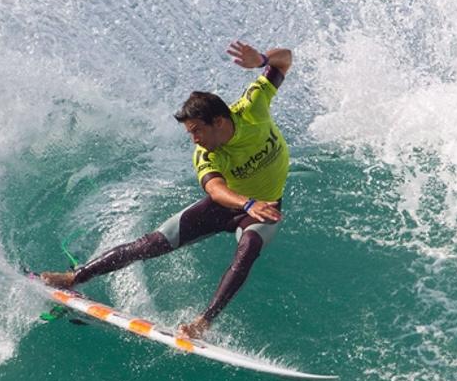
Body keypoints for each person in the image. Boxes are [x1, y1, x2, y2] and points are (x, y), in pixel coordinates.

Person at [41, 40, 292, 339]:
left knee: (248, 249)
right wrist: (246, 203)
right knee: (151, 243)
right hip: (231, 204)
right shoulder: (205, 154)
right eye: (190, 133)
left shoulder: (253, 107)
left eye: (197, 130)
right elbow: (215, 189)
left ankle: (203, 322)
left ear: (219, 121)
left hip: (262, 209)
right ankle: (75, 277)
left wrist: (262, 58)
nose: (194, 139)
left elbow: (284, 60)